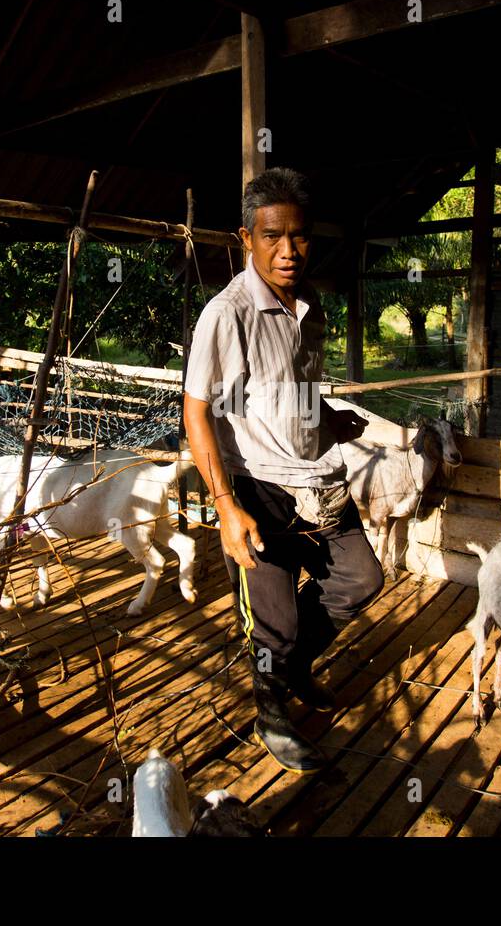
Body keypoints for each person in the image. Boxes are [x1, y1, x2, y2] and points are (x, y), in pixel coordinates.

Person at [182, 167, 385, 774]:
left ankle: (294, 669)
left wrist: (328, 419)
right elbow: (196, 412)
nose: (288, 251)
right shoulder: (227, 313)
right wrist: (224, 504)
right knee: (275, 622)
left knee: (360, 580)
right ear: (246, 238)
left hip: (319, 478)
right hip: (256, 487)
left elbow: (293, 391)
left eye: (298, 236)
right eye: (272, 236)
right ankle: (271, 710)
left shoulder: (311, 307)